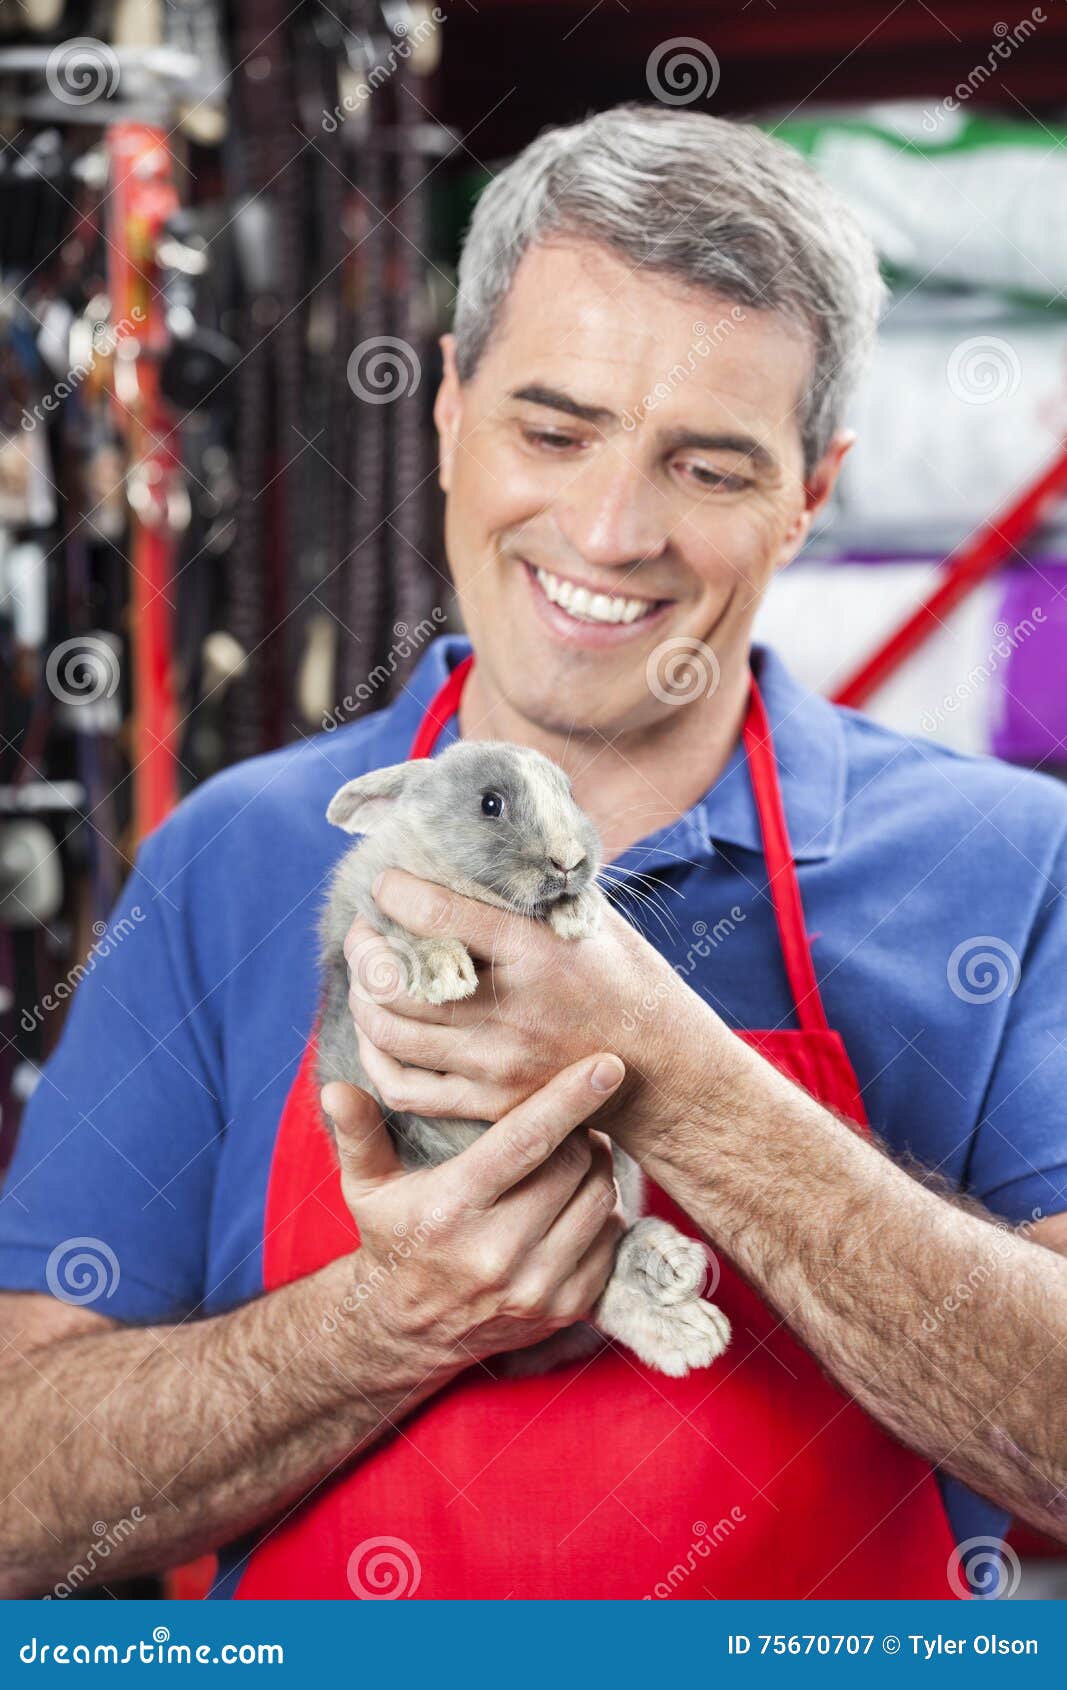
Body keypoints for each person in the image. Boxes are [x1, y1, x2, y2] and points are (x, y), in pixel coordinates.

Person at [1, 104, 1065, 1602]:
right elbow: (17, 1496)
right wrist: (393, 1317)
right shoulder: (234, 859)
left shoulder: (1013, 867)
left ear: (810, 495)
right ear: (446, 410)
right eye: (553, 431)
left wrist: (684, 1090)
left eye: (706, 466)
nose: (610, 526)